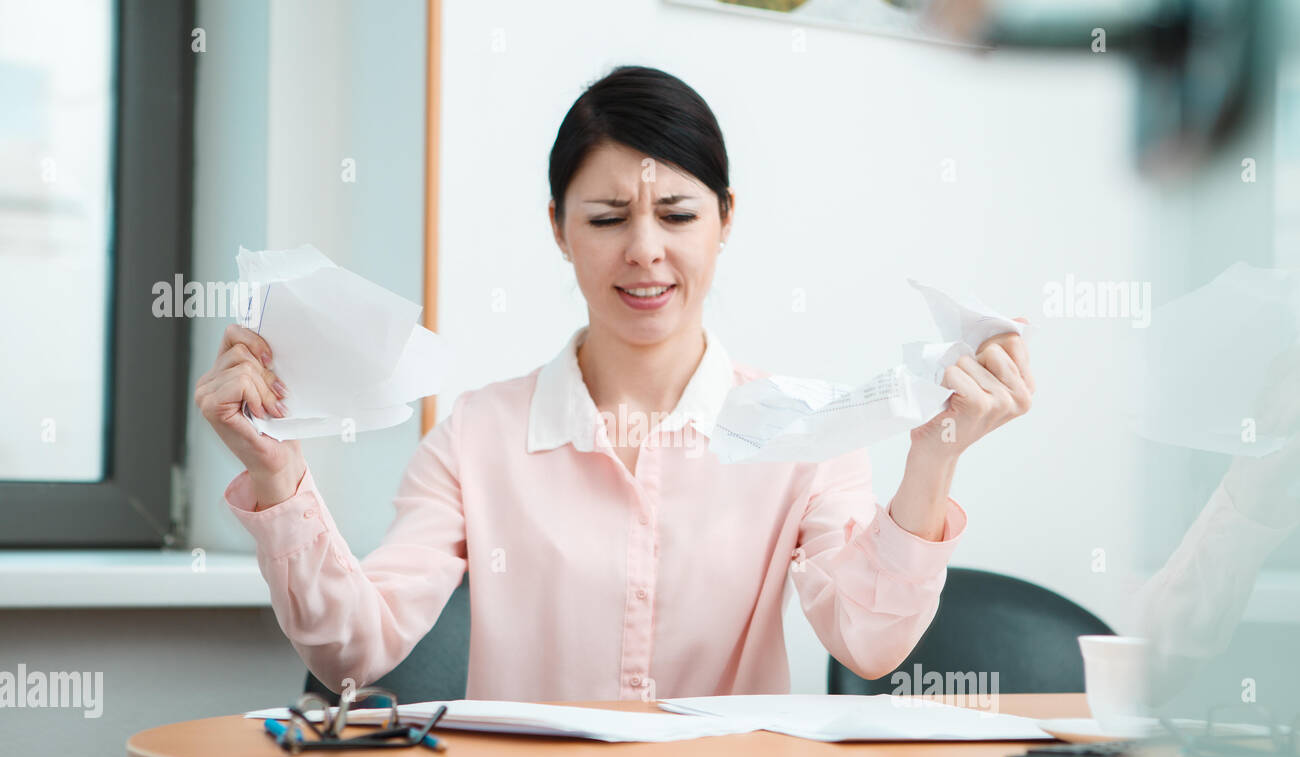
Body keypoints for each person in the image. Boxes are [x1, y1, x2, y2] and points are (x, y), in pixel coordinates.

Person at [195, 65, 1034, 705]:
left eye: (677, 214)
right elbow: (355, 648)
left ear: (726, 219)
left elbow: (869, 641)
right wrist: (278, 477)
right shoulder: (478, 436)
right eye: (606, 219)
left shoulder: (802, 435)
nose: (644, 251)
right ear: (557, 228)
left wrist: (936, 455)